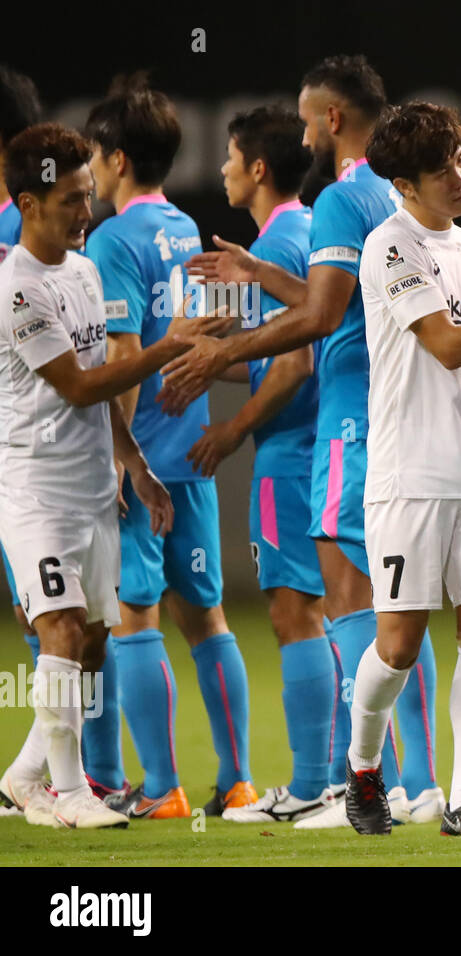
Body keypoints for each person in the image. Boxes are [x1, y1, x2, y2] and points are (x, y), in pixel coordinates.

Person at [169, 56, 446, 828]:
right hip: (399, 418)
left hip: (349, 424)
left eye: (304, 113)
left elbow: (324, 320)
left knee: (352, 598)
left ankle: (379, 783)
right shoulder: (397, 194)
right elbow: (353, 299)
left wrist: (226, 352)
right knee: (397, 600)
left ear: (330, 119)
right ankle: (408, 780)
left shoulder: (336, 201)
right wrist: (264, 274)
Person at [0, 123, 203, 828]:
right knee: (57, 629)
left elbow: (98, 394)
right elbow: (79, 387)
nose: (87, 212)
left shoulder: (84, 271)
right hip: (36, 493)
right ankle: (68, 793)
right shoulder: (20, 291)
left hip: (91, 486)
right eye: (69, 201)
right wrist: (167, 346)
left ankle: (24, 776)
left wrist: (136, 465)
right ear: (27, 202)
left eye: (88, 195)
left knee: (88, 642)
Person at [345, 102, 461, 837]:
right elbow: (449, 346)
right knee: (399, 643)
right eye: (440, 169)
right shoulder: (390, 248)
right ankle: (362, 771)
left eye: (459, 158)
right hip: (410, 475)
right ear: (402, 185)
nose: (459, 176)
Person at [84, 78, 254, 818]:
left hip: (144, 454)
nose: (87, 170)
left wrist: (121, 457)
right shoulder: (186, 228)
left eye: (92, 154)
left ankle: (161, 789)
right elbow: (209, 332)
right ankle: (240, 778)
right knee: (207, 619)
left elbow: (124, 347)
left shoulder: (111, 239)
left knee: (135, 617)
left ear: (117, 158)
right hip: (192, 453)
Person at [186, 105, 336, 822]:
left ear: (257, 169)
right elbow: (271, 352)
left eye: (229, 157)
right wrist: (201, 358)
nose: (221, 170)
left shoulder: (280, 242)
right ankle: (344, 777)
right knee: (330, 612)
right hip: (320, 447)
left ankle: (313, 785)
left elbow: (294, 361)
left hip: (291, 451)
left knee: (292, 614)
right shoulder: (307, 231)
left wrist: (230, 434)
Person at [0, 64, 42, 655]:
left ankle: (81, 755)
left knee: (46, 611)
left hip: (33, 442)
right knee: (35, 607)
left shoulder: (26, 221)